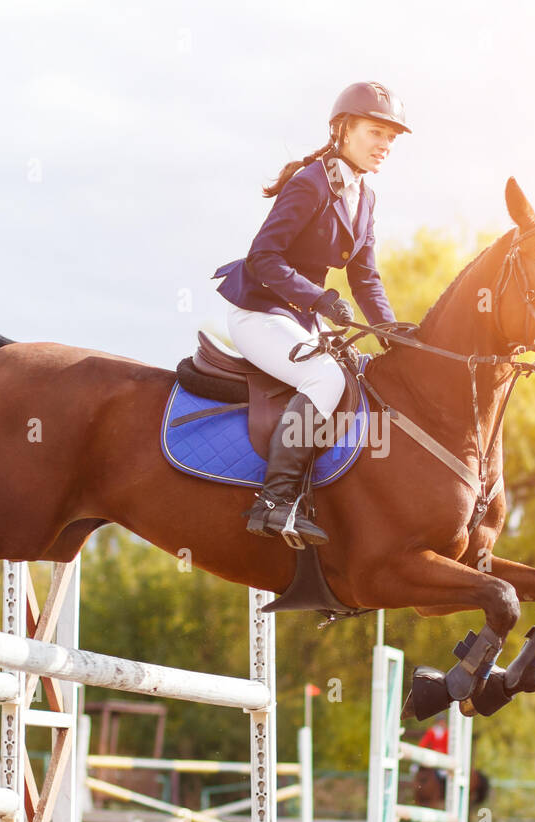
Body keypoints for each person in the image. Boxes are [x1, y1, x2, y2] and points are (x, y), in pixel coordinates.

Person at [211, 81, 410, 545]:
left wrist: (389, 329)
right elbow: (263, 257)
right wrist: (318, 298)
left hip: (299, 318)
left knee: (359, 376)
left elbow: (365, 277)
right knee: (327, 379)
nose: (384, 146)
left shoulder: (366, 197)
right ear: (343, 129)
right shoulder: (310, 183)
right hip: (258, 311)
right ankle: (274, 502)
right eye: (376, 133)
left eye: (391, 138)